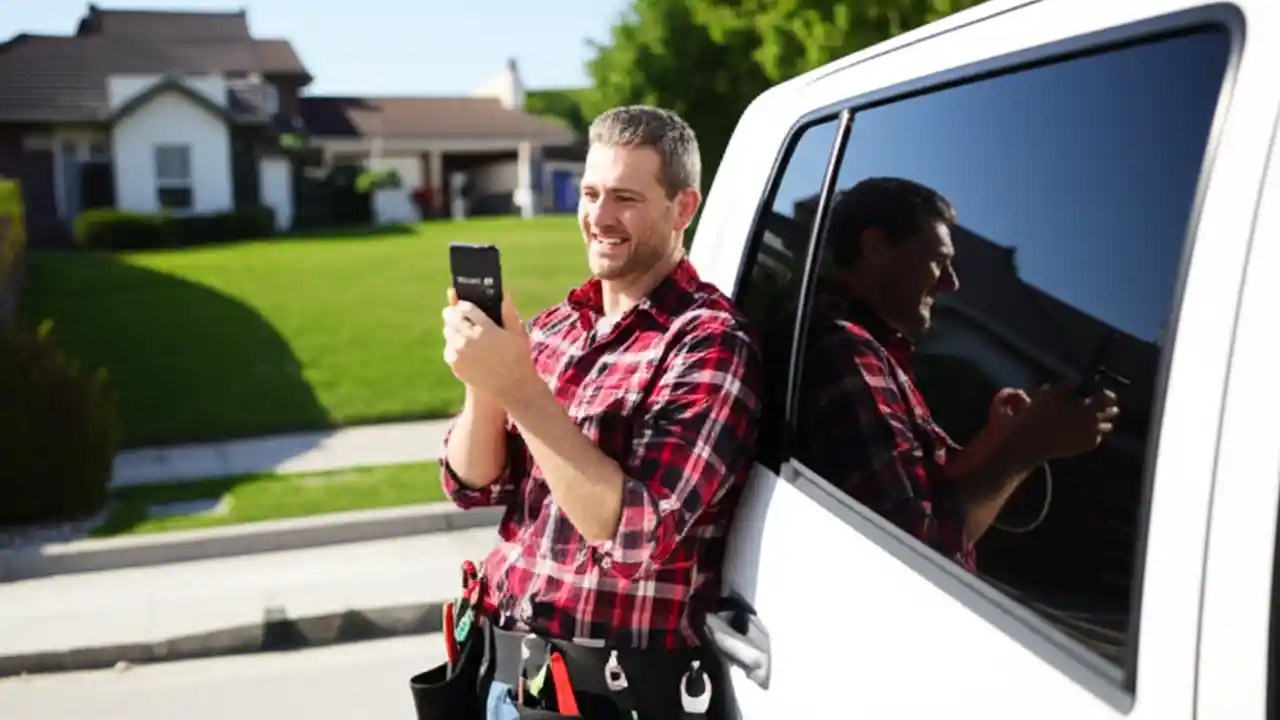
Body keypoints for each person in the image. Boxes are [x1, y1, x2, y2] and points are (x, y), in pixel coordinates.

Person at [438, 105, 762, 719]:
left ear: (682, 209)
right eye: (590, 193)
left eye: (626, 198)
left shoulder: (710, 342)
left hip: (613, 698)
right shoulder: (557, 328)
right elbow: (473, 484)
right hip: (505, 680)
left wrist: (522, 387)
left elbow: (633, 535)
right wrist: (485, 381)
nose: (600, 218)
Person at [796, 177, 1120, 571]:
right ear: (876, 247)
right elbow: (916, 551)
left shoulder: (874, 350)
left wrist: (1001, 434)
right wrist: (1030, 448)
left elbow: (932, 482)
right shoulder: (843, 351)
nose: (952, 282)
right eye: (939, 261)